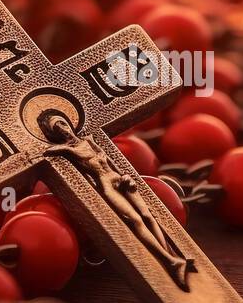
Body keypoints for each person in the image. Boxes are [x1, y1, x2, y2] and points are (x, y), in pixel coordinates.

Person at [38, 111, 193, 290]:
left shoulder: (89, 139)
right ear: (53, 134)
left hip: (119, 178)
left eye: (63, 124)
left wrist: (125, 175)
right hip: (107, 186)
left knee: (148, 215)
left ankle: (174, 257)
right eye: (56, 128)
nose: (62, 129)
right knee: (135, 222)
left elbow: (109, 159)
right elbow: (46, 152)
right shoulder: (66, 150)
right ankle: (169, 261)